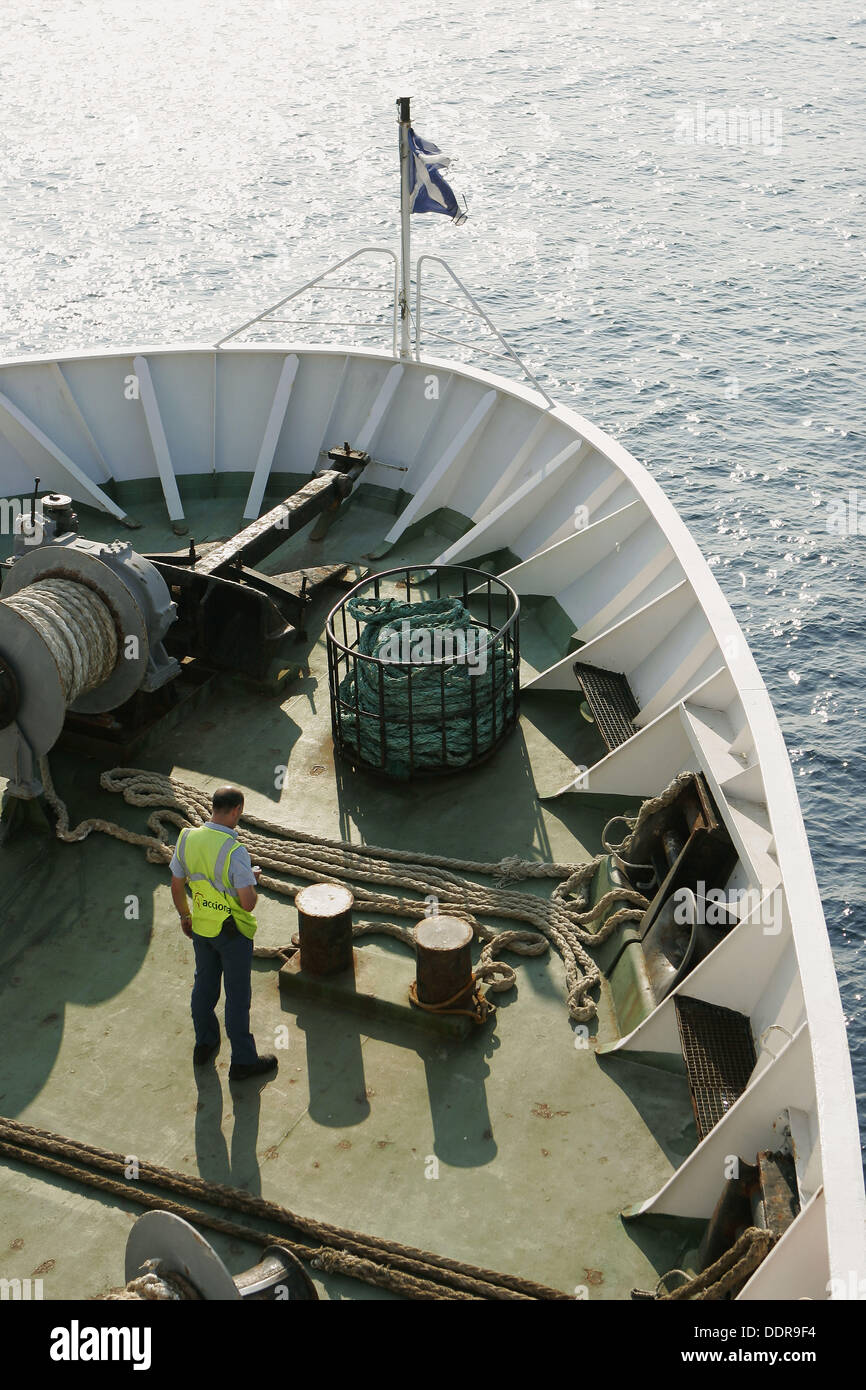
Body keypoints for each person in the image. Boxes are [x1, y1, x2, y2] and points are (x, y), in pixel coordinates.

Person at [170, 785, 277, 1082]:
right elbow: (248, 903)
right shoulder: (235, 851)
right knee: (237, 996)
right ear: (237, 811)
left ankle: (204, 1042)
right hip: (232, 933)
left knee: (203, 985)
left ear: (213, 807)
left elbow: (177, 886)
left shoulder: (186, 838)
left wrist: (185, 916)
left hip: (201, 926)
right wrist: (250, 880)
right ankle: (243, 1061)